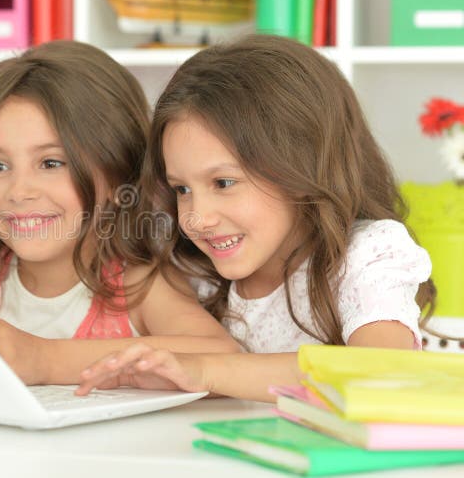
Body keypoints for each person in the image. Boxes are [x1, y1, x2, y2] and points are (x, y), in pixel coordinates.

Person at [76, 34, 435, 402]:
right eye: (182, 189)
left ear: (301, 165)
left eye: (223, 182)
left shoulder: (367, 254)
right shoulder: (197, 271)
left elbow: (381, 371)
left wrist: (203, 371)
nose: (197, 219)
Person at [0, 40, 240, 385]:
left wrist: (43, 358)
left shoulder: (138, 287)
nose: (19, 191)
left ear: (120, 176)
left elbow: (223, 356)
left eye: (51, 163)